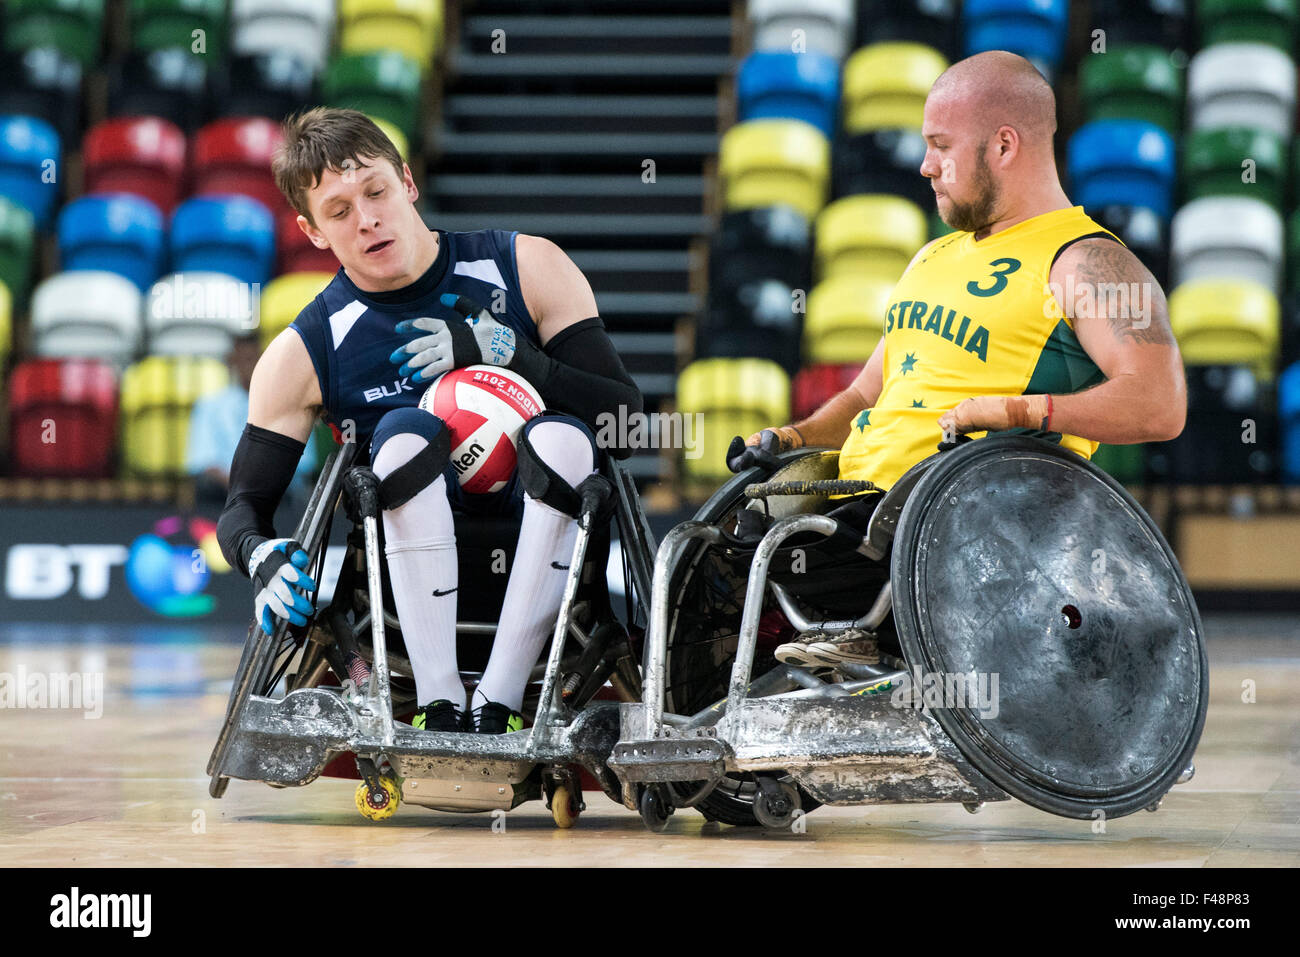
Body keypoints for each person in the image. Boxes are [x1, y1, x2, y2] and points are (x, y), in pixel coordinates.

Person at [729, 51, 1187, 666]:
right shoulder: (931, 258)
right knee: (717, 542)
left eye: (941, 146)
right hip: (851, 506)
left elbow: (1160, 403)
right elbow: (868, 393)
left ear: (1003, 146)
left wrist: (1013, 411)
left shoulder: (1086, 262)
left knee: (789, 547)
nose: (925, 165)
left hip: (958, 521)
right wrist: (793, 435)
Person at [216, 107, 642, 734]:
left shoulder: (526, 267)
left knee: (559, 436)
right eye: (338, 212)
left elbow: (628, 428)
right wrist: (261, 557)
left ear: (407, 182)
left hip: (554, 576)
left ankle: (497, 703)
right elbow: (242, 508)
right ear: (312, 231)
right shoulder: (303, 350)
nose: (366, 220)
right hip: (393, 605)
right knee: (403, 434)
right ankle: (440, 706)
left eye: (376, 191)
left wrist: (521, 363)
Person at [186, 333, 317, 511]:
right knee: (207, 487)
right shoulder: (209, 405)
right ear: (232, 360)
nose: (249, 365)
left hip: (275, 493)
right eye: (243, 358)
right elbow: (205, 463)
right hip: (223, 494)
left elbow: (302, 463)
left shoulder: (290, 404)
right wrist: (244, 490)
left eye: (254, 358)